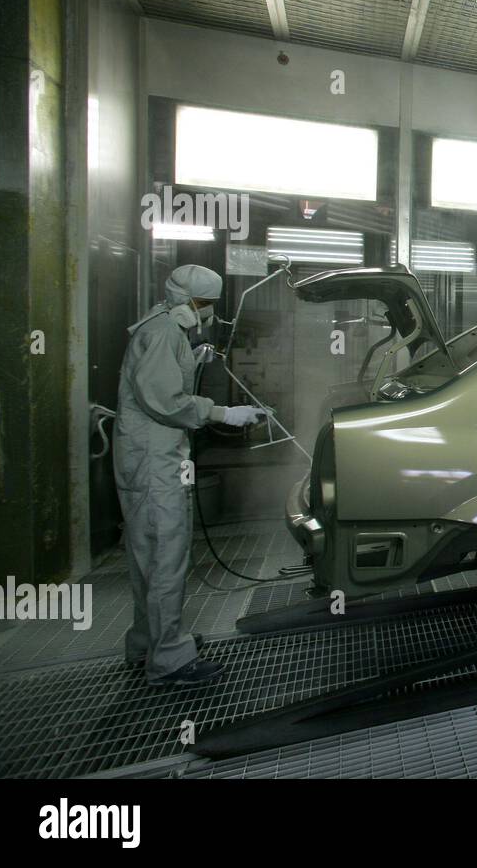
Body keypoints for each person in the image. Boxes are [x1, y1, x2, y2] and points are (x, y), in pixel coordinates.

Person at [113, 264, 266, 686]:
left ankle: (150, 643)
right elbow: (164, 400)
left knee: (147, 555)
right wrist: (221, 412)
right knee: (166, 556)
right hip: (154, 464)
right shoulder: (164, 333)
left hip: (146, 459)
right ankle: (170, 662)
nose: (209, 315)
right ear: (195, 302)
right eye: (208, 306)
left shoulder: (162, 327)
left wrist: (190, 357)